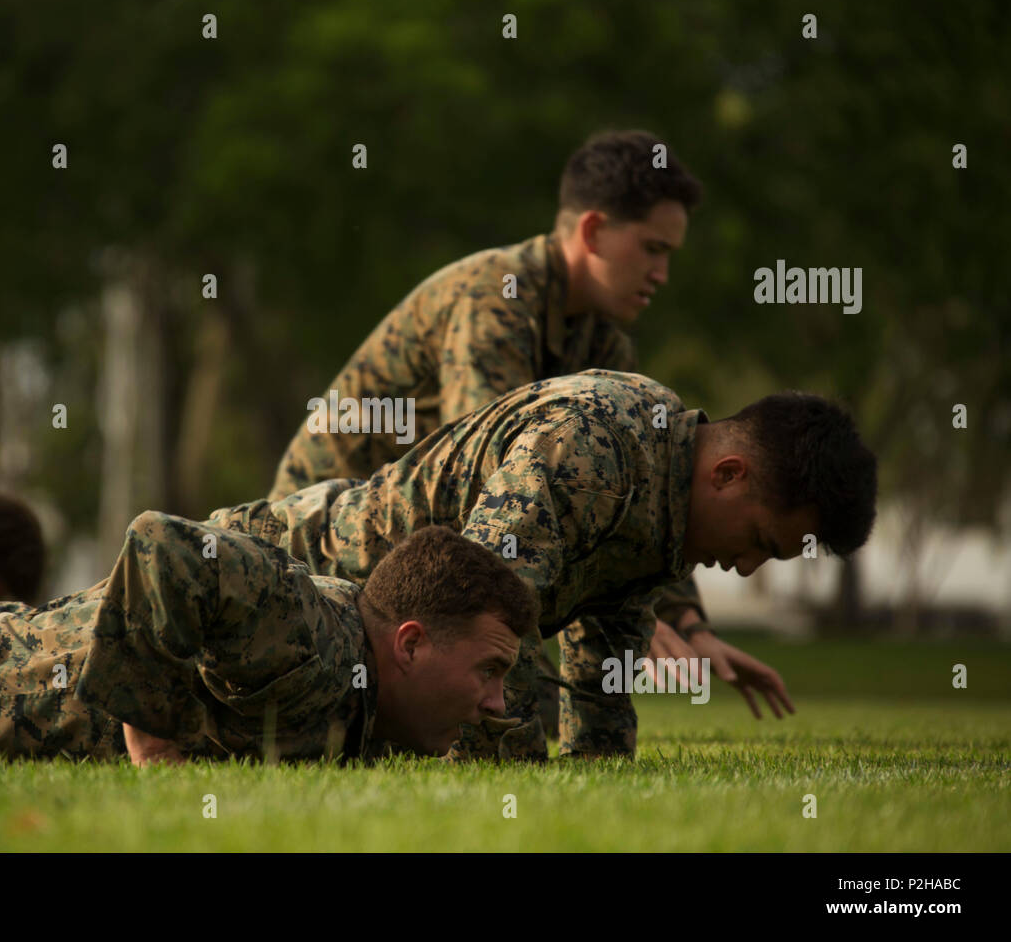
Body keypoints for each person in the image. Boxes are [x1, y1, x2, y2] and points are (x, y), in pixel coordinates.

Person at [268, 130, 725, 729]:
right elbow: (498, 491)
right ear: (592, 231)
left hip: (412, 545)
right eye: (652, 248)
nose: (662, 273)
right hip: (328, 536)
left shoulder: (602, 340)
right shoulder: (495, 298)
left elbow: (645, 486)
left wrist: (689, 624)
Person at [210, 370, 878, 760]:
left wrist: (599, 763)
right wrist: (510, 769)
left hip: (381, 638)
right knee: (129, 685)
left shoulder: (667, 492)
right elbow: (484, 612)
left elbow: (606, 639)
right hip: (287, 567)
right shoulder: (592, 445)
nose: (747, 567)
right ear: (729, 475)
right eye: (762, 539)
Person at [0, 515, 537, 764]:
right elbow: (163, 546)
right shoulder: (313, 638)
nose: (497, 700)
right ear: (411, 643)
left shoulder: (367, 685)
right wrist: (157, 752)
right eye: (491, 672)